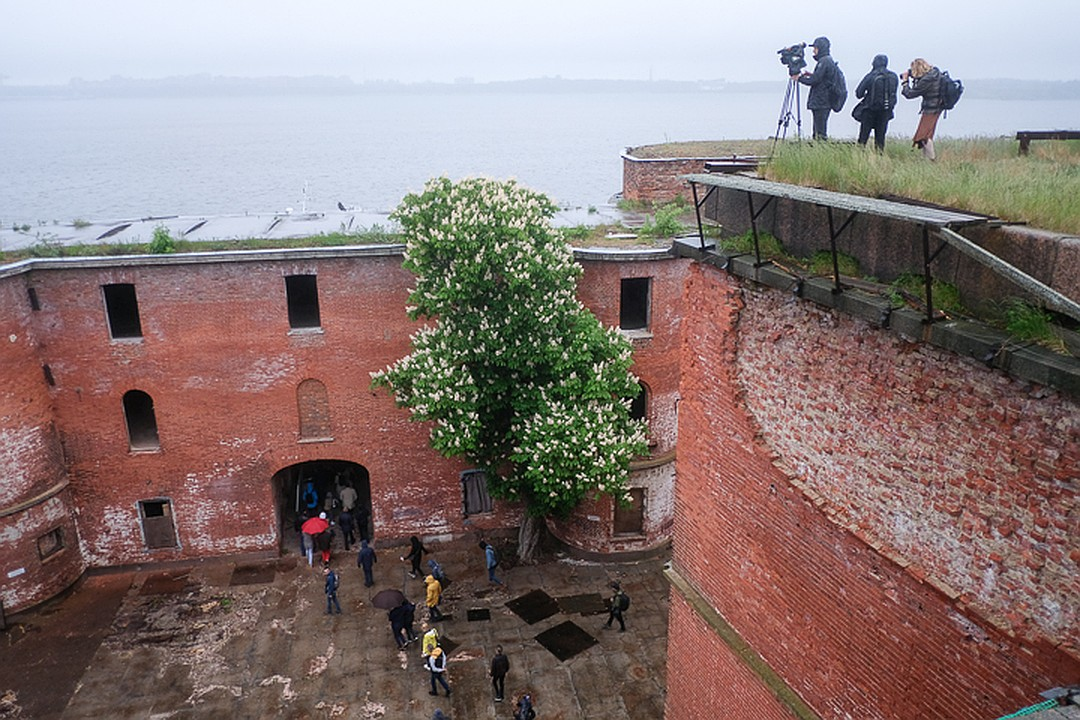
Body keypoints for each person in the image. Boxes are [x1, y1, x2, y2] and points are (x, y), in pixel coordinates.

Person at [853, 54, 899, 151]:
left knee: (863, 137)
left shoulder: (871, 76)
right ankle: (879, 158)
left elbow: (859, 93)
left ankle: (859, 156)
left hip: (870, 110)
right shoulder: (893, 77)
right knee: (880, 138)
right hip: (886, 110)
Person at [901, 57, 944, 160]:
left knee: (923, 136)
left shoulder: (926, 80)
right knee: (927, 135)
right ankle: (926, 160)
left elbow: (910, 94)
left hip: (931, 109)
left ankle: (931, 159)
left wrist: (905, 82)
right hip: (937, 107)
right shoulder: (935, 74)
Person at [797, 36, 840, 140]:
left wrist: (799, 78)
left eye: (815, 48)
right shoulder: (827, 61)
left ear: (820, 48)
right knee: (818, 129)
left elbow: (814, 81)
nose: (813, 51)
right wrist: (810, 75)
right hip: (823, 101)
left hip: (822, 101)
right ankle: (818, 148)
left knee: (820, 131)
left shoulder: (824, 61)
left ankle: (821, 149)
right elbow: (821, 78)